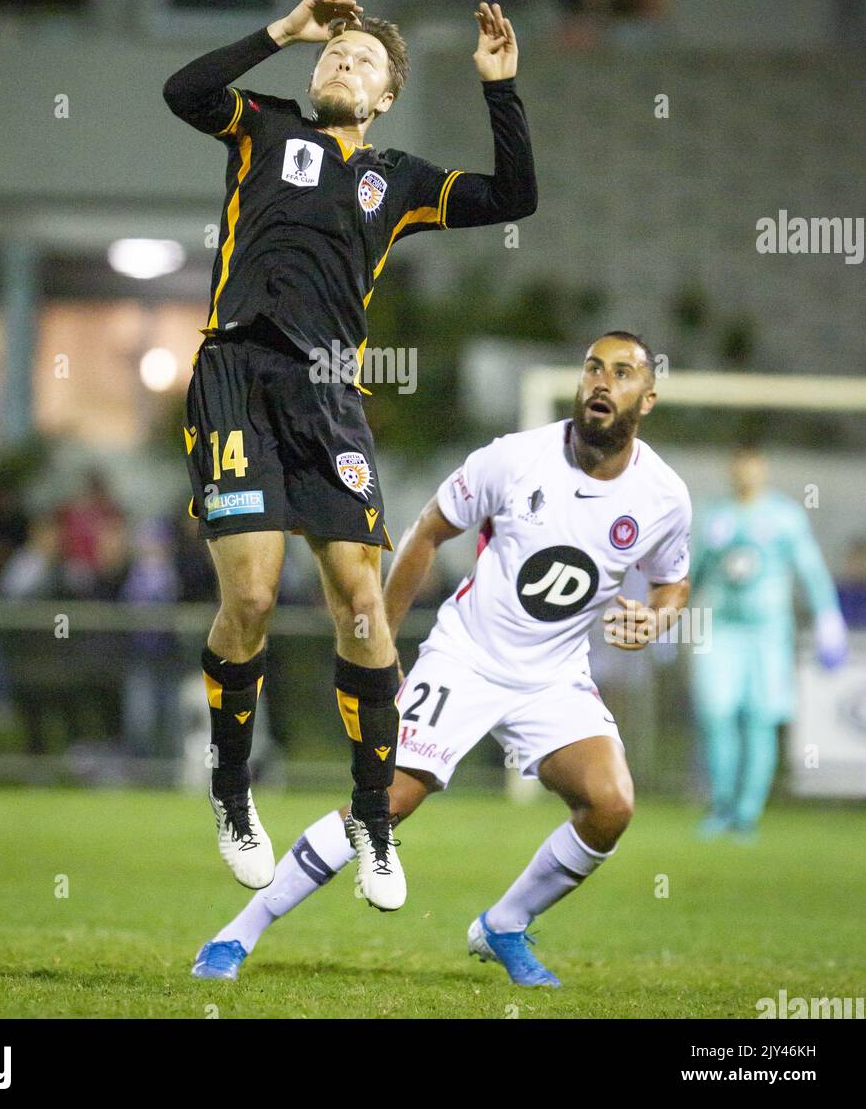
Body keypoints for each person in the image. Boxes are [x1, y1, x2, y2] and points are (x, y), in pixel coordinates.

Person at [163, 0, 538, 910]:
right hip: (238, 373)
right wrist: (284, 30)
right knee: (249, 593)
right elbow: (184, 88)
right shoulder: (260, 127)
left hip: (330, 396)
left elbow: (515, 196)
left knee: (363, 609)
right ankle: (232, 791)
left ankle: (372, 817)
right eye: (334, 56)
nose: (343, 66)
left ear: (384, 97)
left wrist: (502, 90)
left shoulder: (397, 177)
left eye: (363, 62)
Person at [192, 331, 691, 984]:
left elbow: (672, 579)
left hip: (553, 675)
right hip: (467, 657)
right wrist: (381, 644)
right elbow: (430, 528)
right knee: (387, 803)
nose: (602, 381)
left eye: (622, 373)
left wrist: (655, 618)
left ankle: (502, 926)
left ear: (646, 398)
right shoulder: (513, 460)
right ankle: (234, 937)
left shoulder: (663, 497)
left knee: (611, 805)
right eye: (594, 367)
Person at [689, 445, 847, 839]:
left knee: (760, 719)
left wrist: (828, 616)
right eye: (740, 465)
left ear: (763, 469)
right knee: (717, 715)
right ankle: (722, 806)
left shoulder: (784, 516)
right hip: (719, 628)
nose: (747, 473)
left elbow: (809, 568)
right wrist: (670, 619)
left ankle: (746, 814)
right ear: (732, 469)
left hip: (768, 631)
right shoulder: (714, 516)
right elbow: (693, 573)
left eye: (753, 466)